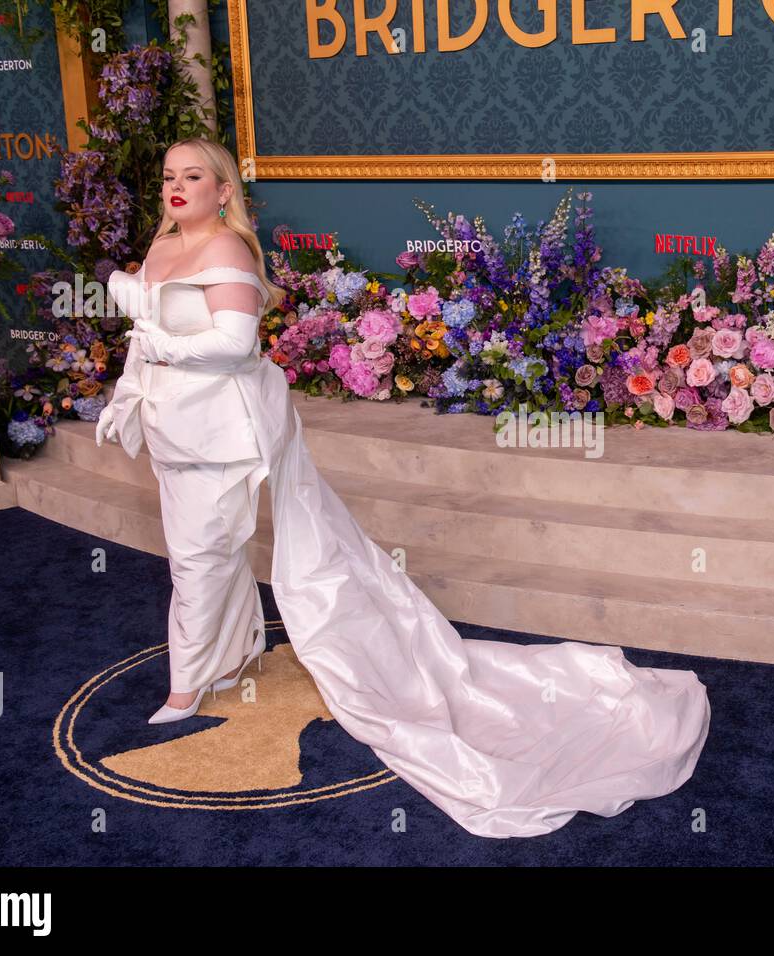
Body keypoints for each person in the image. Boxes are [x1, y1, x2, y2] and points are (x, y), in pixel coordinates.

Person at [94, 138, 712, 839]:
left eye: (194, 175)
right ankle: (228, 655)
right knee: (206, 548)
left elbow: (233, 345)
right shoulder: (162, 249)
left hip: (222, 433)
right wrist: (127, 395)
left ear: (224, 189)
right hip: (172, 430)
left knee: (200, 555)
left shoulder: (227, 255)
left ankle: (186, 685)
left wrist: (154, 334)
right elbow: (144, 343)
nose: (178, 186)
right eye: (170, 175)